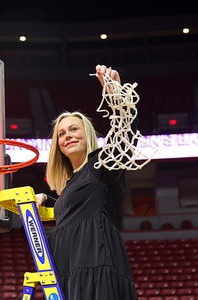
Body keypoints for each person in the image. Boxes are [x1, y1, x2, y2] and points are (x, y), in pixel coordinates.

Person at [35, 65, 138, 299]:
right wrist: (47, 198)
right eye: (61, 134)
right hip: (65, 269)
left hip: (95, 264)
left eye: (73, 129)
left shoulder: (101, 165)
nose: (67, 135)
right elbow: (76, 203)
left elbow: (123, 145)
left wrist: (117, 98)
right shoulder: (70, 184)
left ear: (88, 134)